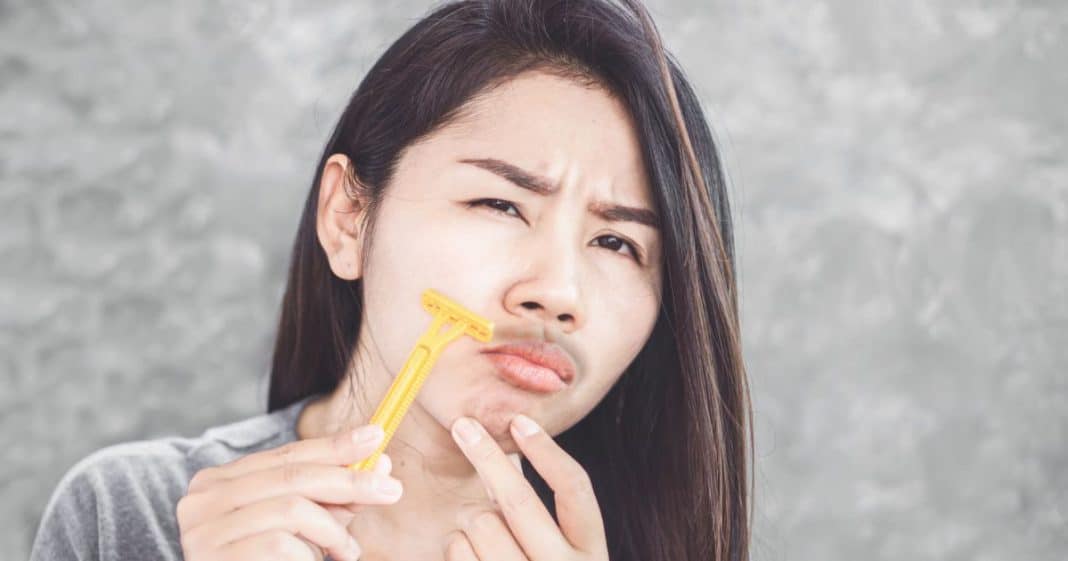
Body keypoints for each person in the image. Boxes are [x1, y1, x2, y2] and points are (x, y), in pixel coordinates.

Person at [29, 0, 753, 559]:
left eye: (618, 242)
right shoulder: (129, 514)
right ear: (348, 218)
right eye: (500, 203)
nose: (557, 292)